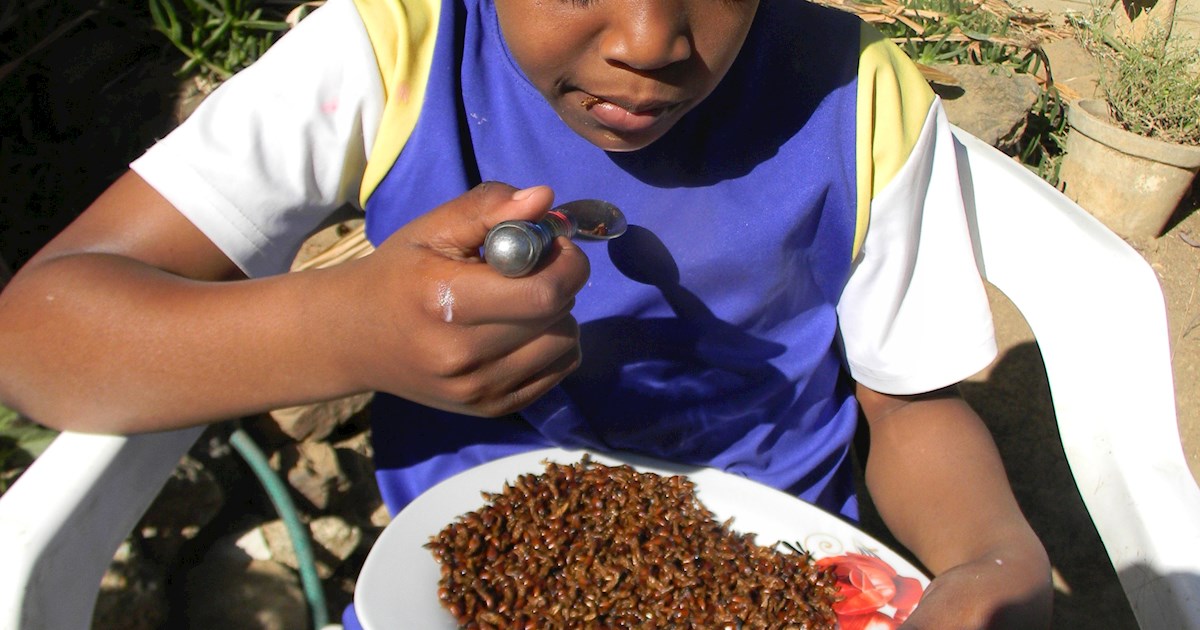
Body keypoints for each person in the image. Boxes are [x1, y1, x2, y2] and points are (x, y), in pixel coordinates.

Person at [0, 0, 1052, 626]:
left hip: (771, 586)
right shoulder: (393, 50)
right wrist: (339, 331)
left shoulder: (856, 101)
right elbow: (37, 337)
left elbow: (911, 410)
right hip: (467, 586)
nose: (648, 38)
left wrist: (993, 560)